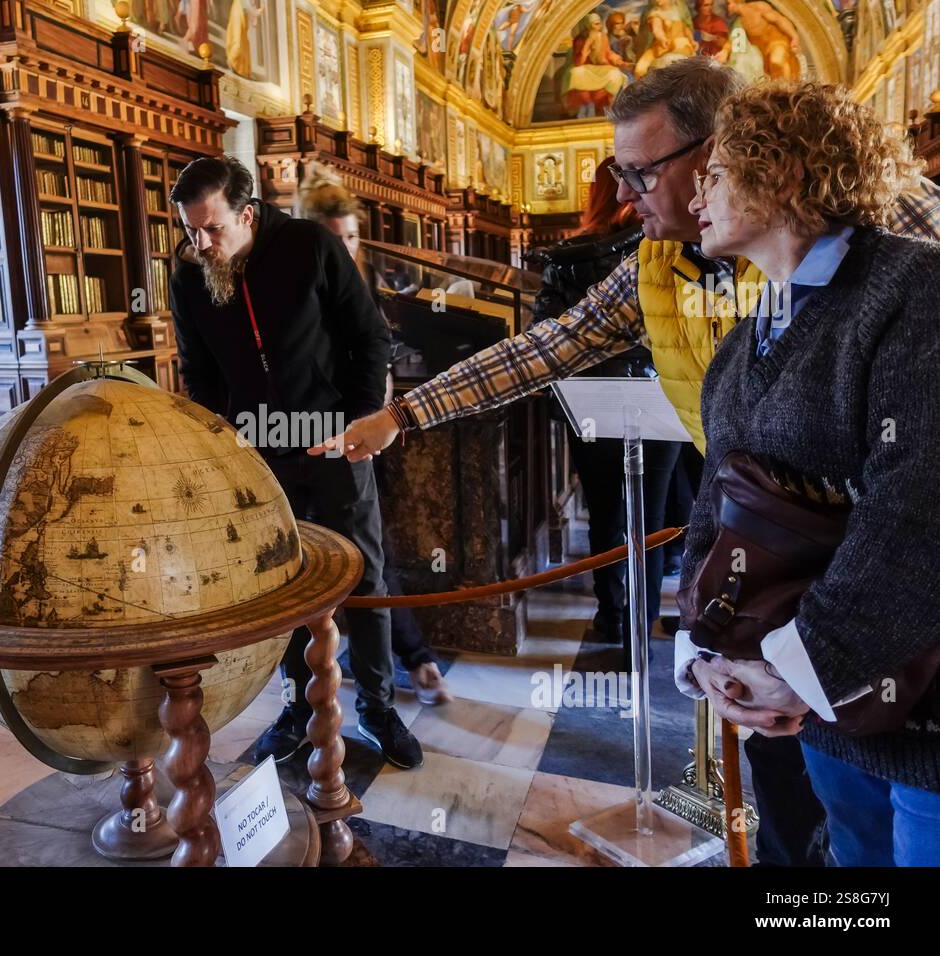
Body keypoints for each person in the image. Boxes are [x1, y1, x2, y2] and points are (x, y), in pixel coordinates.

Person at [308, 56, 940, 865]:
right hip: (781, 593)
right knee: (811, 821)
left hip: (897, 616)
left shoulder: (897, 247)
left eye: (640, 171)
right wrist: (404, 411)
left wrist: (809, 656)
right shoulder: (667, 269)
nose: (626, 191)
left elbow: (917, 502)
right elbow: (551, 351)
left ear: (728, 156)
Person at [678, 81, 940, 866]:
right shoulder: (749, 335)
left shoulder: (914, 289)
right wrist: (707, 647)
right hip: (835, 712)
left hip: (922, 714)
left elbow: (918, 503)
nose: (698, 196)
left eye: (716, 172)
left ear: (784, 174)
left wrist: (804, 666)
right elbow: (716, 502)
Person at [166, 156, 424, 770]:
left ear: (247, 214)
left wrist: (358, 421)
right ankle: (296, 708)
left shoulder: (309, 246)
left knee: (362, 574)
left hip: (333, 440)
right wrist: (218, 445)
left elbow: (371, 337)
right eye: (189, 230)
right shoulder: (188, 273)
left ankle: (379, 708)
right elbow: (198, 372)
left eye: (212, 229)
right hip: (257, 451)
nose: (200, 243)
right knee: (279, 583)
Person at [298, 162, 454, 707]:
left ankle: (401, 668)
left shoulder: (358, 278)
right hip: (313, 436)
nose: (345, 248)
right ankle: (319, 687)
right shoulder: (299, 287)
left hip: (365, 432)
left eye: (352, 237)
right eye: (334, 239)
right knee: (319, 556)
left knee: (372, 553)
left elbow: (374, 349)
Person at [528, 157, 681, 661]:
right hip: (661, 394)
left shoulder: (569, 254)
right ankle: (643, 624)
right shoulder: (665, 246)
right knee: (651, 518)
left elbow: (545, 335)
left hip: (589, 399)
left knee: (604, 513)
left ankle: (610, 611)